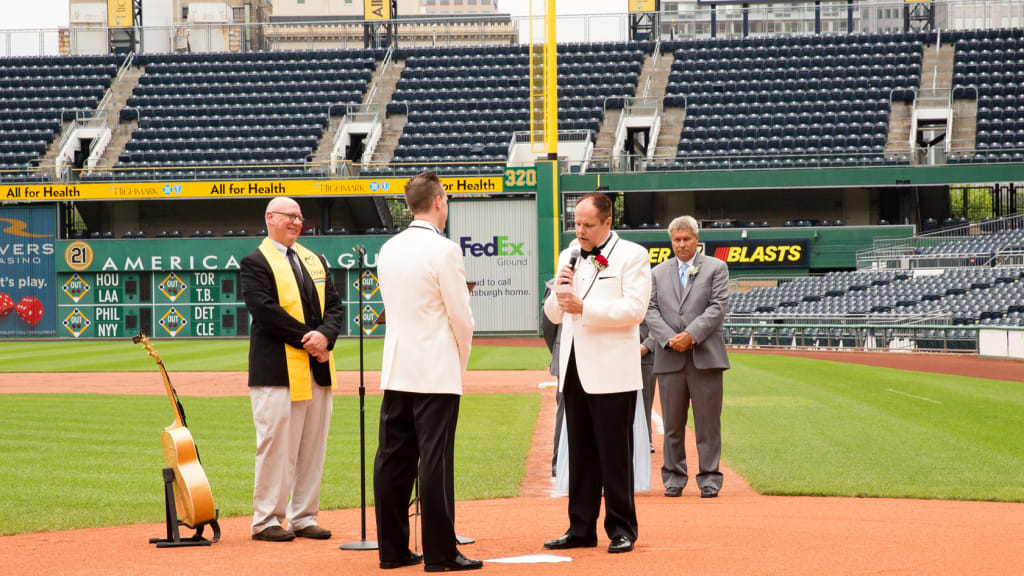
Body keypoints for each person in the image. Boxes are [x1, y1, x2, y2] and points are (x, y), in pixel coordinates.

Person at [373, 172, 482, 572]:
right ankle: (441, 554)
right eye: (446, 199)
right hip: (435, 369)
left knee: (392, 460)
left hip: (397, 367)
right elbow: (461, 318)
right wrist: (459, 362)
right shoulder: (445, 250)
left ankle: (393, 551)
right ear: (438, 201)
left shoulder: (388, 248)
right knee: (434, 461)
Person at [542, 192, 652, 555]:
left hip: (612, 371)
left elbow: (635, 310)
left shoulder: (632, 255)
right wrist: (559, 290)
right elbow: (553, 314)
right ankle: (580, 528)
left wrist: (584, 307)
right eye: (576, 223)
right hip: (574, 368)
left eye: (588, 225)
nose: (580, 231)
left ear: (607, 221)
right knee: (581, 453)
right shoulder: (568, 255)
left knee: (615, 455)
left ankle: (622, 529)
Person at [240, 197, 345, 542]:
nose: (297, 222)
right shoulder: (255, 262)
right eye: (290, 216)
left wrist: (325, 336)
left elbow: (334, 307)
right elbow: (265, 311)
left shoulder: (314, 260)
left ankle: (303, 516)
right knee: (276, 448)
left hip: (317, 369)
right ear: (270, 218)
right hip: (277, 372)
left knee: (312, 448)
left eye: (300, 217)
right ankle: (267, 519)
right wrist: (308, 339)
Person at [645, 215, 730, 499]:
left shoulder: (716, 267)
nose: (681, 244)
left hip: (706, 357)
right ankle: (673, 477)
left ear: (697, 239)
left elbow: (718, 307)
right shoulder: (657, 272)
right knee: (672, 425)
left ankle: (709, 478)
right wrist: (671, 339)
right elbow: (650, 309)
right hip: (670, 357)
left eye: (686, 239)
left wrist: (690, 335)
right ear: (671, 241)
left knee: (708, 424)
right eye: (676, 240)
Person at [540, 286, 563, 477]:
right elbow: (548, 324)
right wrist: (558, 350)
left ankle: (559, 463)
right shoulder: (556, 283)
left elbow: (547, 328)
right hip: (566, 358)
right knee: (565, 412)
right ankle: (559, 461)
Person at [639, 319, 657, 453]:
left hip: (646, 356)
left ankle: (646, 439)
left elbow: (659, 322)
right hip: (618, 354)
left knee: (646, 401)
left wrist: (647, 345)